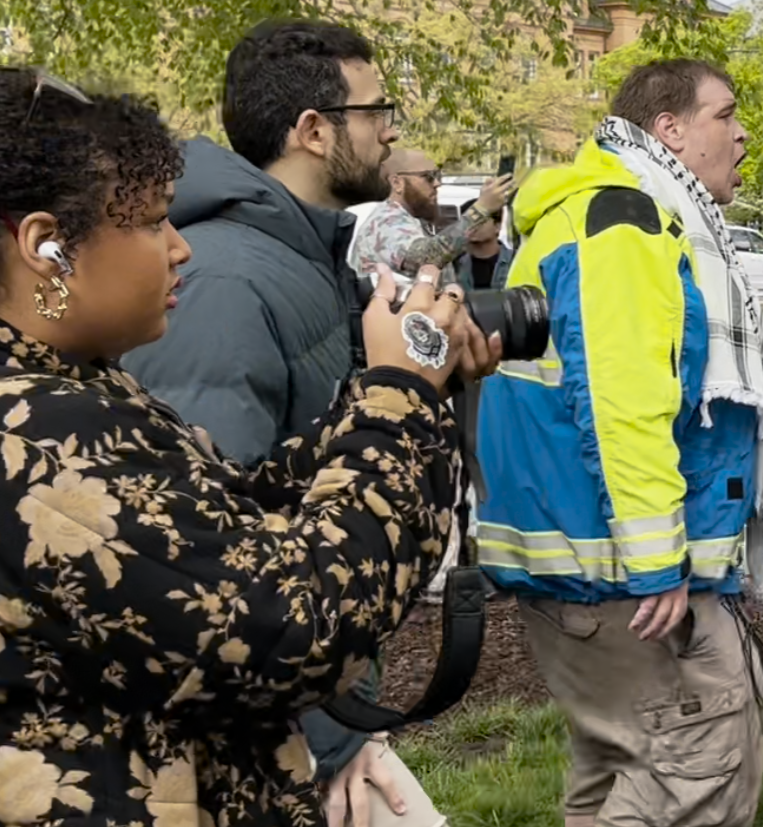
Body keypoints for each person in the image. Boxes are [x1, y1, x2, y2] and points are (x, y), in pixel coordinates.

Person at [0, 65, 482, 827]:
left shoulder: (29, 392)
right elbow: (299, 627)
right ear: (46, 246)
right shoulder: (30, 440)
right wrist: (398, 397)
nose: (179, 248)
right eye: (154, 221)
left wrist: (403, 389)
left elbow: (225, 517)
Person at [119, 19, 496, 827]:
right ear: (313, 131)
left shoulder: (304, 257)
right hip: (281, 736)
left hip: (317, 704)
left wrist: (424, 385)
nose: (392, 131)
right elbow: (204, 562)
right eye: (376, 108)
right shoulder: (225, 281)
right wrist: (329, 741)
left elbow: (321, 464)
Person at [476, 58, 763, 826]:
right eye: (725, 116)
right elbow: (625, 403)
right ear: (668, 129)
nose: (742, 136)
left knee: (620, 766)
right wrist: (656, 563)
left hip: (586, 565)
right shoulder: (624, 222)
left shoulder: (605, 213)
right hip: (621, 574)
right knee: (706, 751)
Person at [348, 148, 513, 287]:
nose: (437, 183)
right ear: (397, 183)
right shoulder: (386, 223)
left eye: (437, 176)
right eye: (428, 177)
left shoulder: (410, 221)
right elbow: (428, 257)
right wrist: (481, 209)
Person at [453, 196, 513, 291]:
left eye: (480, 220)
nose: (473, 226)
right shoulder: (455, 266)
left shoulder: (514, 262)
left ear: (497, 226)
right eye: (468, 221)